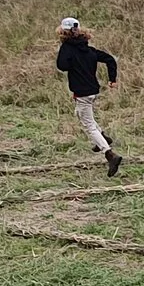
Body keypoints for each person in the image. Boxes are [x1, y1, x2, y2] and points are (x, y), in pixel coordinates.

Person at [54, 17, 124, 176]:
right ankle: (103, 137)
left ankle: (109, 154)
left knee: (88, 125)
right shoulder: (89, 49)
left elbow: (62, 66)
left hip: (82, 92)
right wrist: (112, 79)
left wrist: (65, 52)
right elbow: (110, 59)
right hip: (92, 90)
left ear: (63, 32)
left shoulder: (67, 48)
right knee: (84, 117)